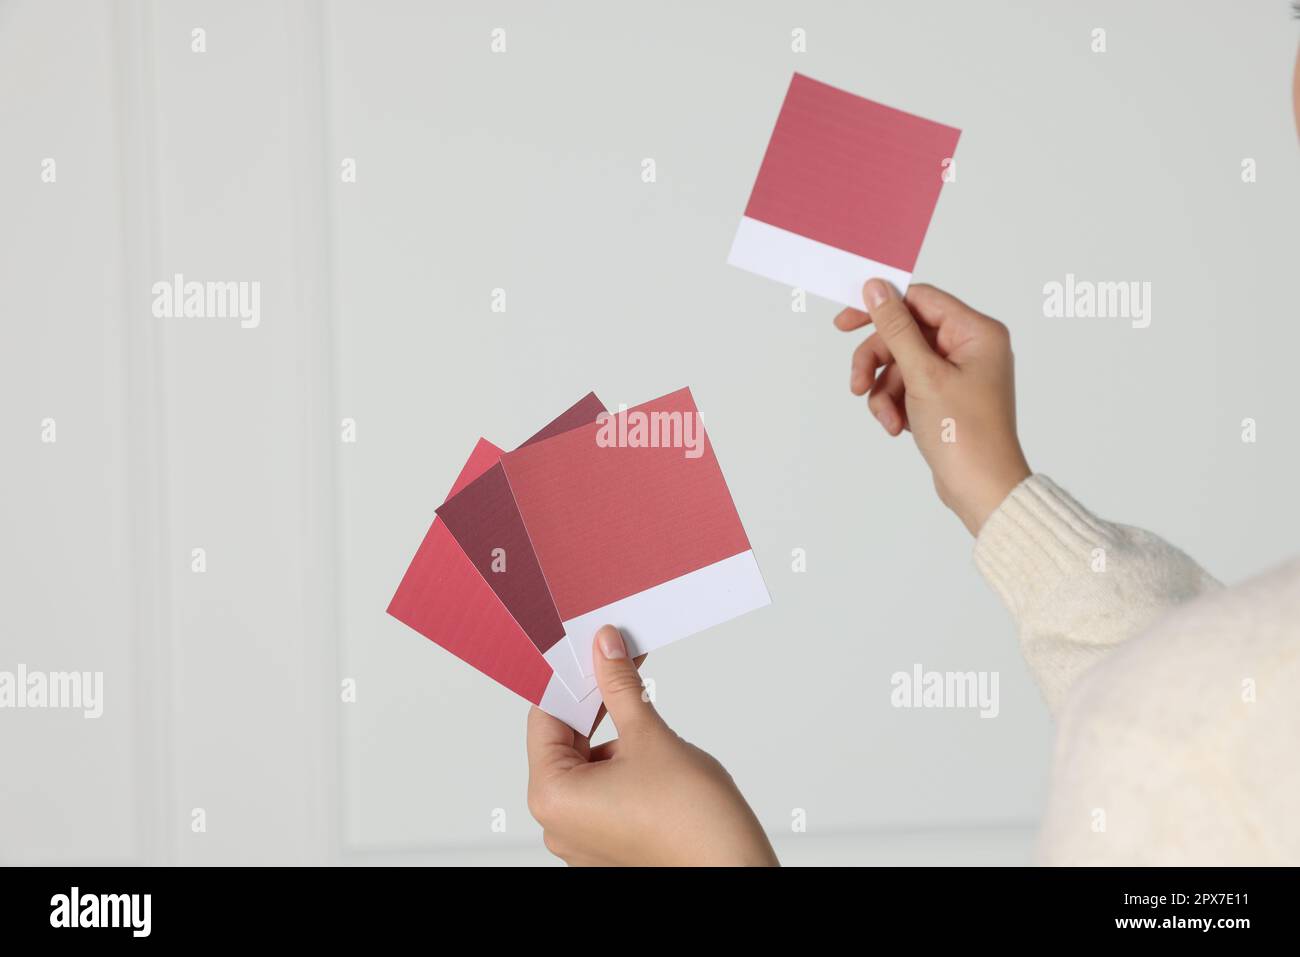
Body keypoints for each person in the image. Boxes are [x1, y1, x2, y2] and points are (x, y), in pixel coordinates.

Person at [523, 41, 1300, 868]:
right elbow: (1190, 706)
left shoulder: (1197, 747)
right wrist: (999, 490)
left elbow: (1193, 732)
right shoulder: (1213, 723)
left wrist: (710, 858)